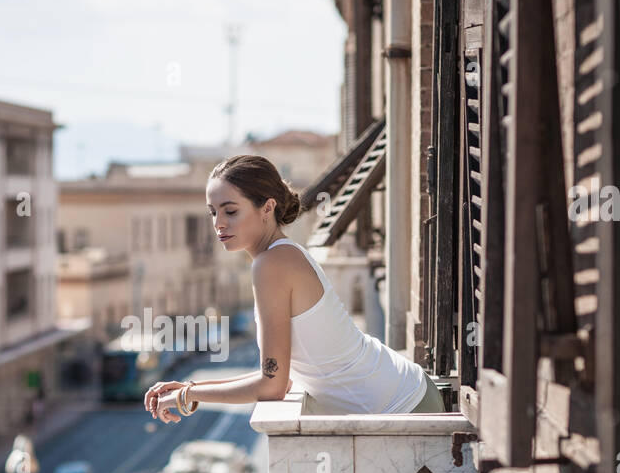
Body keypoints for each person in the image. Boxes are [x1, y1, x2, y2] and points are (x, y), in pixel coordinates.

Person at [144, 154, 445, 423]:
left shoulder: (272, 264)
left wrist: (187, 397)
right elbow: (282, 377)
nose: (219, 224)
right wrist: (191, 388)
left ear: (267, 207)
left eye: (231, 211)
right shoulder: (280, 254)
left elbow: (272, 386)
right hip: (407, 393)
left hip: (405, 405)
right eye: (213, 212)